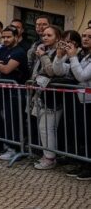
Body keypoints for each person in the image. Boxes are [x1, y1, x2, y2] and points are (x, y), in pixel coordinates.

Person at [0, 26, 29, 161]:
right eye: (4, 37)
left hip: (15, 93)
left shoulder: (19, 52)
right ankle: (7, 145)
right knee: (4, 118)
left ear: (16, 37)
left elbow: (6, 69)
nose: (5, 39)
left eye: (9, 37)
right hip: (2, 91)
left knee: (13, 120)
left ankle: (15, 148)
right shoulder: (2, 49)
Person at [30, 25, 64, 170]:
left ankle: (50, 158)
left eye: (49, 35)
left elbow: (51, 71)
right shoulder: (43, 50)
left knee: (47, 128)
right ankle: (46, 155)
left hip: (53, 97)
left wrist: (43, 56)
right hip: (40, 94)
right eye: (44, 35)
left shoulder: (58, 53)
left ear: (57, 38)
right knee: (43, 127)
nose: (45, 37)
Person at [59, 26, 91, 180]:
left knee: (88, 135)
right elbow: (64, 71)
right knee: (81, 133)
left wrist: (72, 57)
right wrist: (59, 57)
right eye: (84, 35)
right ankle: (82, 162)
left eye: (89, 37)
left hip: (89, 102)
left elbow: (82, 76)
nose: (85, 39)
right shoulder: (83, 56)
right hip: (80, 100)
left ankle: (88, 166)